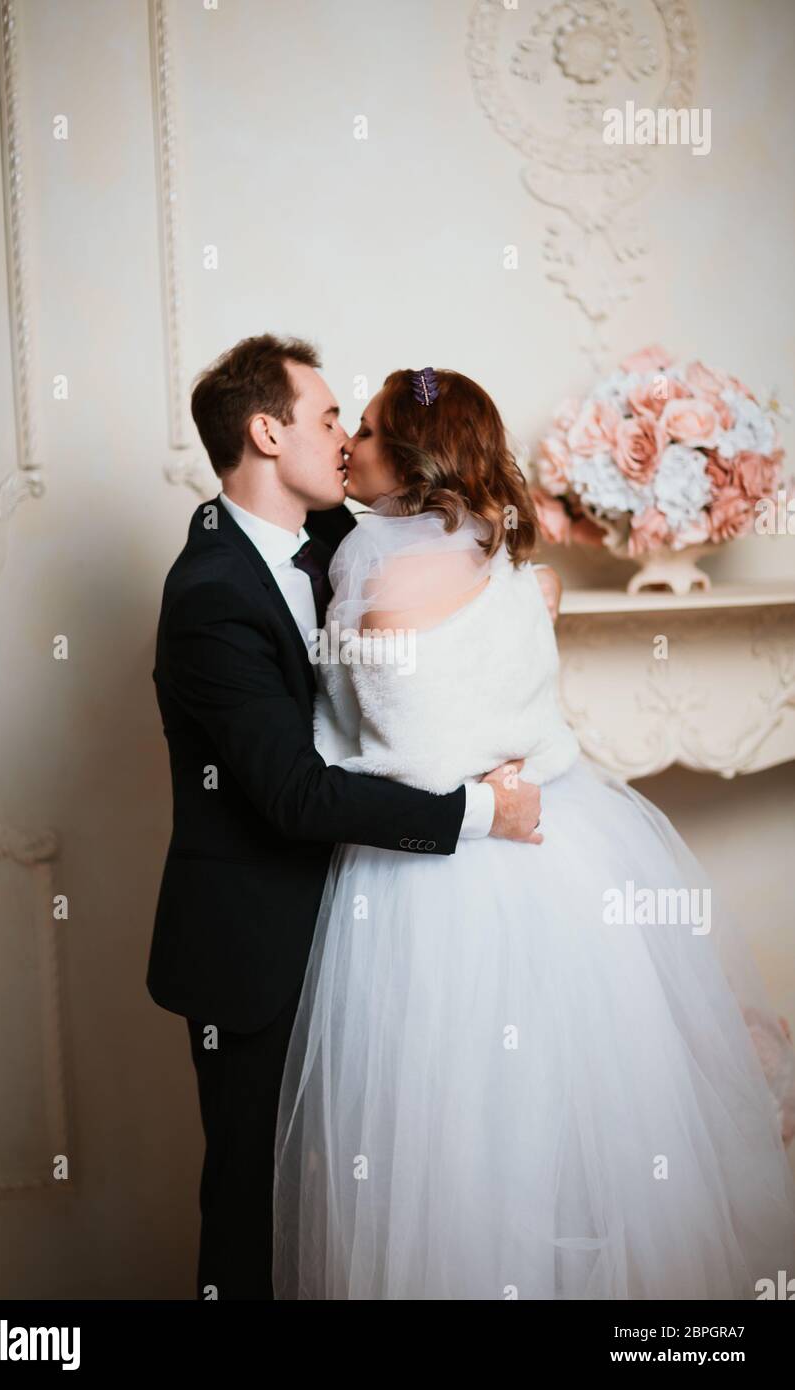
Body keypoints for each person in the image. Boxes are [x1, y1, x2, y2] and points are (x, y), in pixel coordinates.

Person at [272, 365, 795, 1300]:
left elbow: (402, 756)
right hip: (561, 838)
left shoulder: (375, 585)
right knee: (577, 1114)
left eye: (370, 429)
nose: (350, 442)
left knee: (454, 1133)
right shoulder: (510, 561)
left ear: (414, 460)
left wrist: (342, 743)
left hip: (440, 871)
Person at [146, 335, 554, 1300]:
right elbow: (296, 796)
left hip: (367, 938)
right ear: (266, 432)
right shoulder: (209, 596)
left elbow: (453, 552)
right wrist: (479, 809)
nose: (345, 439)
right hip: (255, 951)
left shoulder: (340, 536)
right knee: (254, 1208)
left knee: (373, 1203)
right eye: (330, 418)